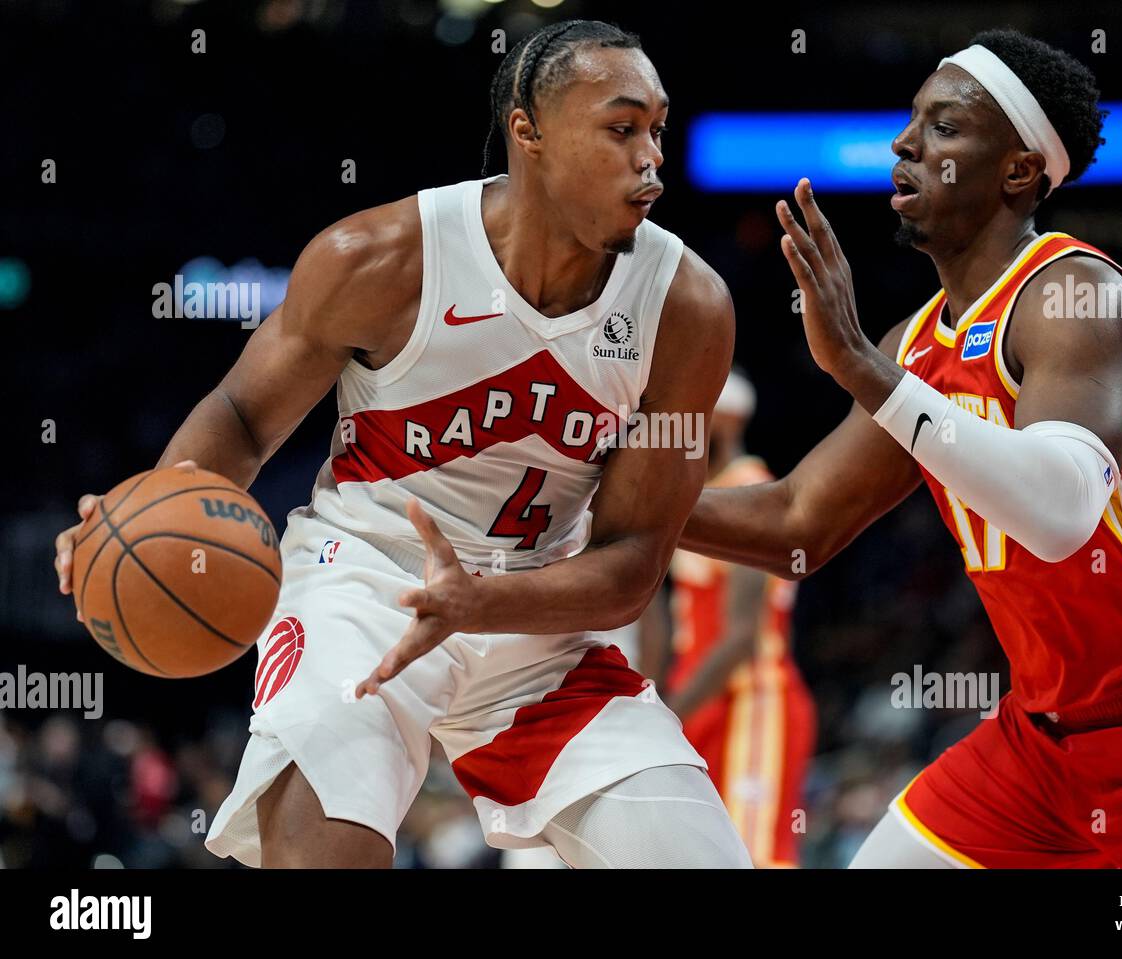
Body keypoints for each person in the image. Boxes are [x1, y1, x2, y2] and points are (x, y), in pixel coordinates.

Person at [55, 19, 751, 869]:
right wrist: (142, 518)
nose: (652, 158)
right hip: (365, 578)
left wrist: (480, 603)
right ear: (527, 131)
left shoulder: (686, 308)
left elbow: (635, 561)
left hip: (541, 614)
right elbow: (241, 413)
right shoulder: (379, 258)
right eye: (621, 127)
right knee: (323, 845)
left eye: (657, 129)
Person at [679, 29, 1122, 868]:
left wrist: (865, 372)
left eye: (943, 127)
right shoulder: (918, 345)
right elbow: (798, 520)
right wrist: (603, 497)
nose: (904, 143)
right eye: (910, 122)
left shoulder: (1077, 292)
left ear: (1016, 170)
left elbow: (1062, 513)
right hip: (1042, 741)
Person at [646, 370, 816, 868]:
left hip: (752, 697)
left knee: (755, 856)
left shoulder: (752, 492)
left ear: (720, 421)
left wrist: (668, 715)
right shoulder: (693, 495)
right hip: (696, 694)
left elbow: (741, 639)